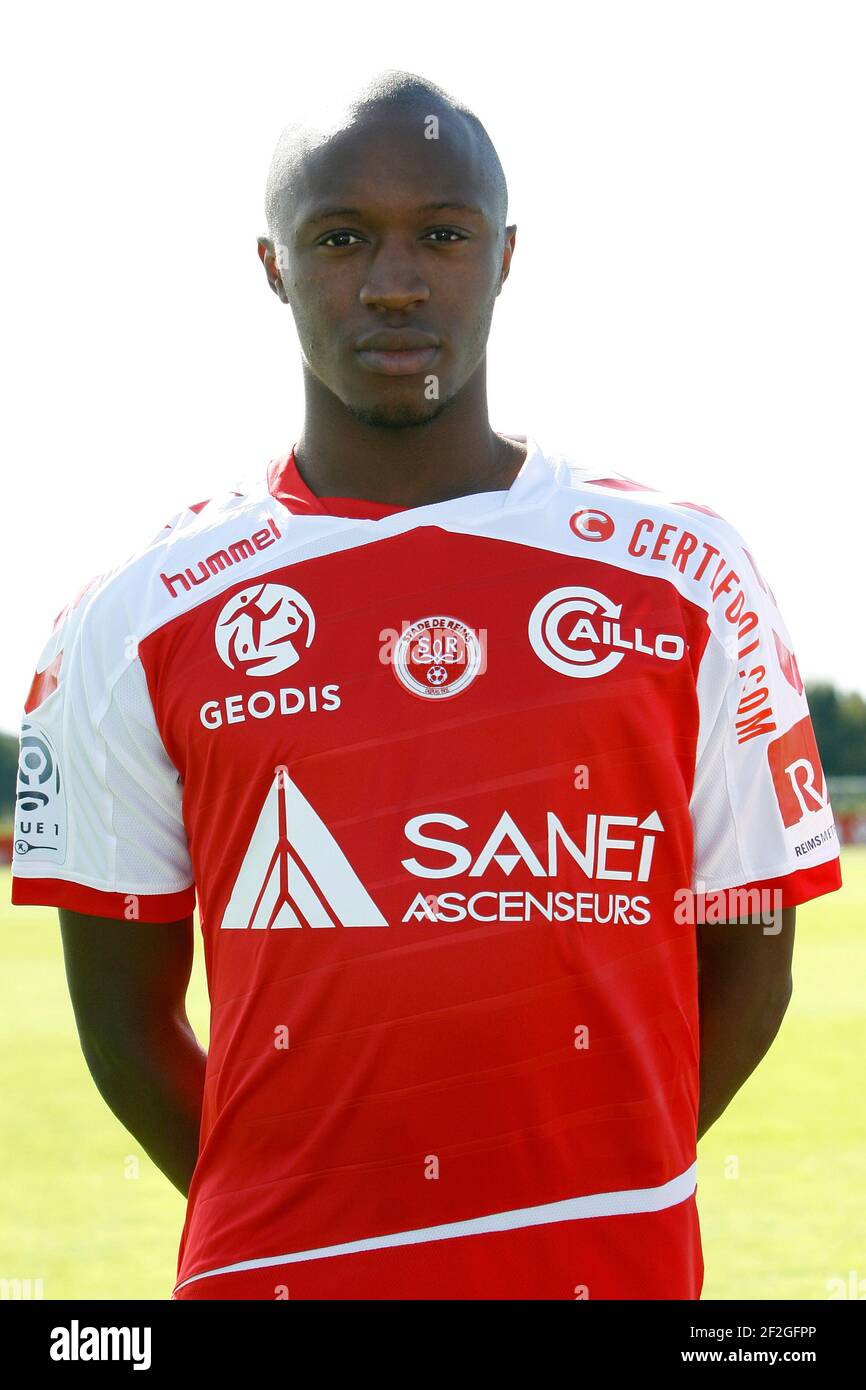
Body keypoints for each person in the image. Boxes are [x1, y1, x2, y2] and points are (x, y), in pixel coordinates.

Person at [11, 69, 842, 1301]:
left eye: (440, 236)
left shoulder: (684, 578)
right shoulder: (136, 615)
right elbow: (124, 1021)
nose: (393, 282)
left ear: (503, 257)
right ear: (272, 265)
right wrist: (316, 1226)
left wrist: (599, 1184)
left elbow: (751, 955)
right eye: (340, 237)